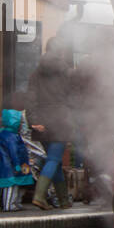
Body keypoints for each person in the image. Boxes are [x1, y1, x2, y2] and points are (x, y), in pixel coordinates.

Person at [27, 37, 75, 210]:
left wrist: (33, 120)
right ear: (60, 51)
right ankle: (39, 196)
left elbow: (31, 99)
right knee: (54, 159)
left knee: (54, 161)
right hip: (60, 120)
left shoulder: (35, 73)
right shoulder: (66, 72)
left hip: (42, 120)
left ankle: (63, 200)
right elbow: (73, 97)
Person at [0, 108, 35, 211]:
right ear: (14, 122)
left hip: (10, 165)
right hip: (10, 166)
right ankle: (9, 205)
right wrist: (17, 165)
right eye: (19, 122)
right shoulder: (11, 136)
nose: (21, 124)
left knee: (16, 185)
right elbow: (13, 152)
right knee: (11, 185)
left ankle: (14, 203)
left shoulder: (7, 134)